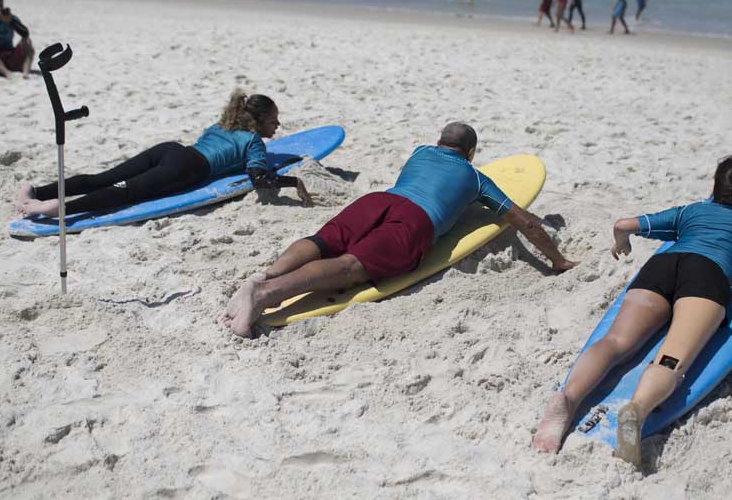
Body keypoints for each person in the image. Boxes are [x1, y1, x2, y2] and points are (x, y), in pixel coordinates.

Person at [531, 156, 732, 465]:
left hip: (662, 267)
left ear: (716, 187)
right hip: (707, 278)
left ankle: (567, 398)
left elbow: (624, 225)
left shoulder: (692, 211)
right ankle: (637, 410)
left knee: (615, 342)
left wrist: (621, 244)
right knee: (671, 360)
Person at [223, 122, 579, 338]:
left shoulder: (419, 152)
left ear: (439, 141)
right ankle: (267, 295)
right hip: (414, 220)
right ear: (471, 152)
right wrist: (558, 260)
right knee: (350, 266)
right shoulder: (475, 177)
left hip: (378, 201)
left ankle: (263, 277)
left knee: (323, 241)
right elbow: (526, 223)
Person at [15, 91, 312, 218]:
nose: (277, 125)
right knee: (123, 191)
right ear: (259, 121)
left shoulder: (223, 123)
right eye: (273, 120)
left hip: (171, 150)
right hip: (188, 168)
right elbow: (259, 178)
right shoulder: (254, 142)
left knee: (103, 178)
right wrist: (292, 182)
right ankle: (59, 210)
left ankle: (36, 191)